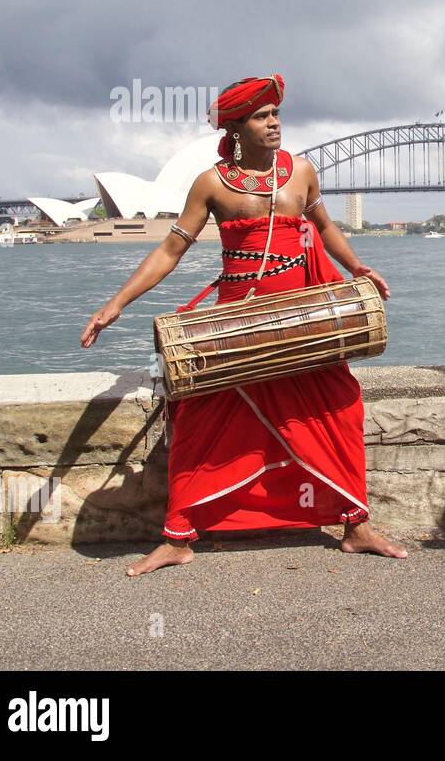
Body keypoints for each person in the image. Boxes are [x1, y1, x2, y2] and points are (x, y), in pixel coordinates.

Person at [81, 74, 407, 576]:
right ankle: (179, 536)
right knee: (199, 420)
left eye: (276, 113)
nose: (274, 123)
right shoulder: (211, 183)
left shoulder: (301, 171)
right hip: (240, 321)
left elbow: (323, 227)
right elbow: (171, 248)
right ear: (235, 127)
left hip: (304, 316)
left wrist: (356, 267)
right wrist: (116, 302)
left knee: (339, 411)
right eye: (261, 116)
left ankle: (355, 526)